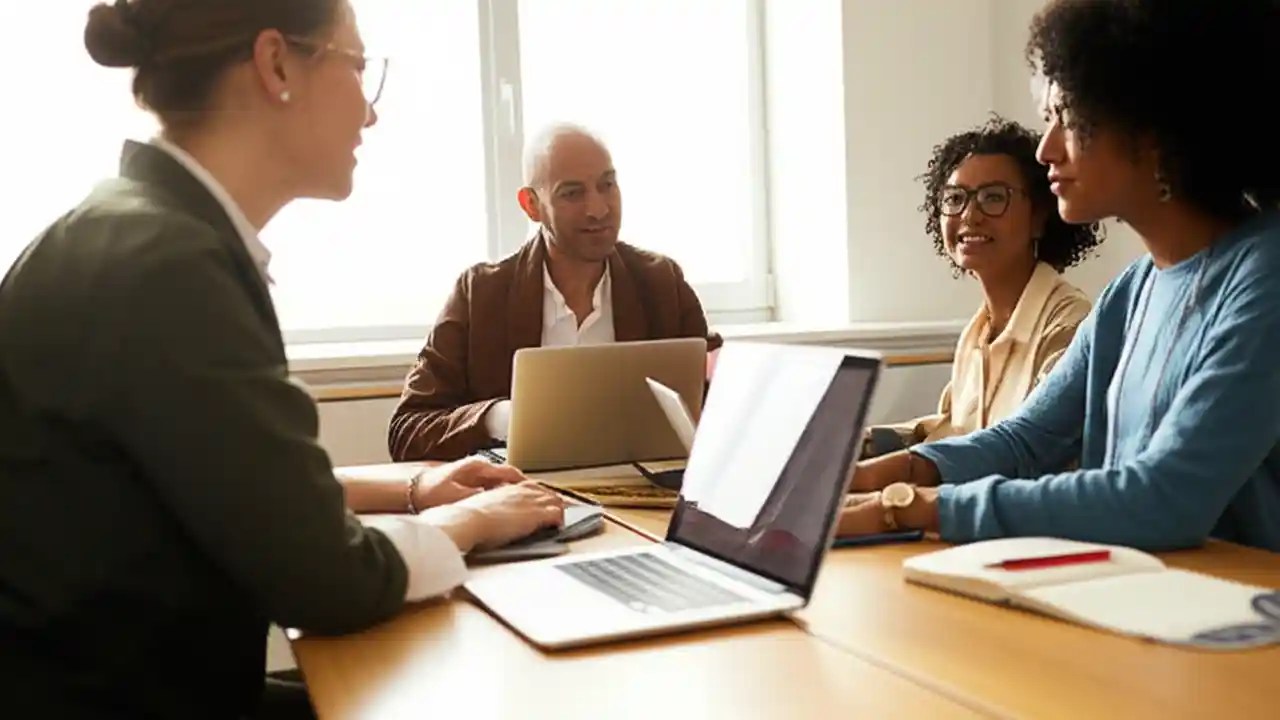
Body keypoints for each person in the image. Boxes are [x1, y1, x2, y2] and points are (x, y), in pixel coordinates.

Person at [0, 2, 563, 718]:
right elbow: (332, 583)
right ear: (275, 65)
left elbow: (227, 477)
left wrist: (417, 489)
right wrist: (477, 519)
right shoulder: (171, 269)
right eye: (358, 67)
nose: (371, 113)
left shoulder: (130, 228)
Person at [839, 0, 1280, 553]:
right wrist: (863, 478)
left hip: (1237, 600)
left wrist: (906, 508)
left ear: (1156, 128)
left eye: (1067, 117)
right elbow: (1025, 441)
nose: (1046, 148)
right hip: (1135, 588)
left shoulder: (1265, 276)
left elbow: (1164, 499)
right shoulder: (1131, 292)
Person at [388, 123, 722, 462]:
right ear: (531, 205)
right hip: (518, 491)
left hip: (640, 492)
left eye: (607, 185)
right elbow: (408, 430)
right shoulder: (481, 294)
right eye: (572, 193)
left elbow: (723, 408)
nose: (598, 209)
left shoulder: (662, 284)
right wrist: (500, 418)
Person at [863, 116, 1102, 457]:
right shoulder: (977, 333)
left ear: (1039, 218)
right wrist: (865, 440)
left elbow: (1031, 451)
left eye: (993, 198)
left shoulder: (1069, 326)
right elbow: (955, 427)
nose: (969, 215)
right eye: (954, 198)